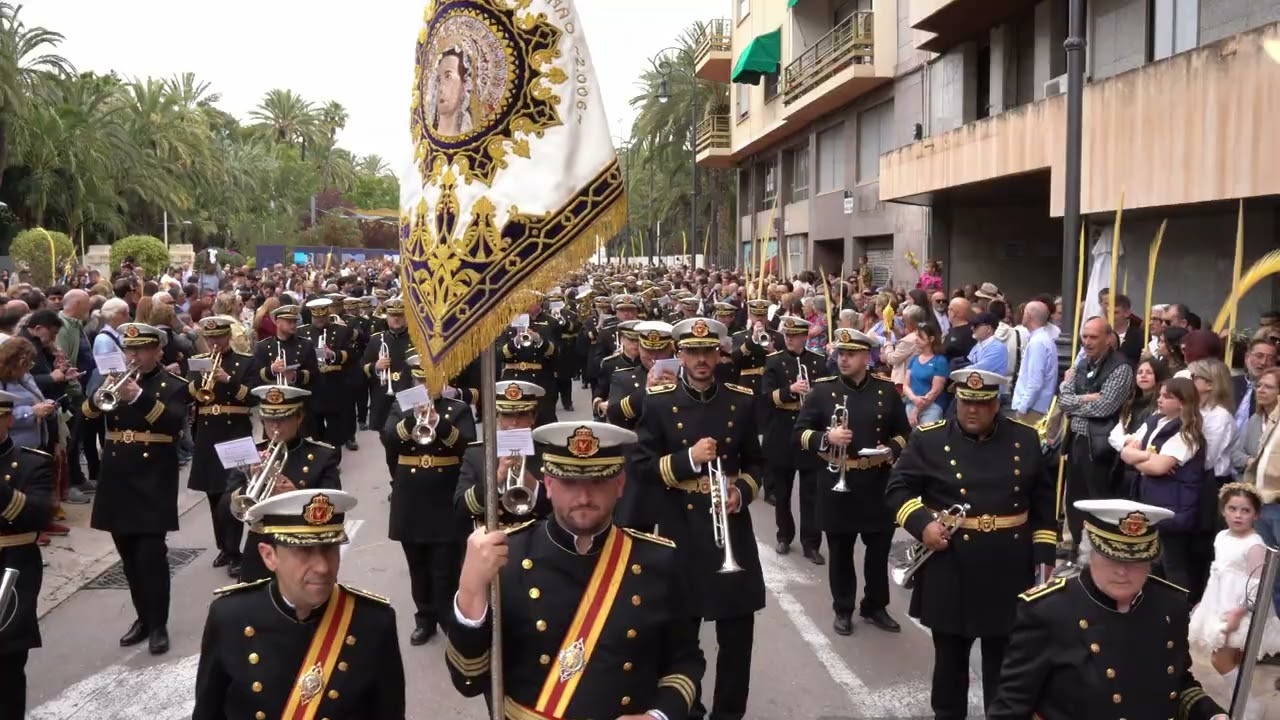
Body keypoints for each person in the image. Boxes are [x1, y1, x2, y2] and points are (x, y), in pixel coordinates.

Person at [448, 421, 704, 720]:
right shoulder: (508, 557)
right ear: (548, 484)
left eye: (598, 481)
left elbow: (685, 662)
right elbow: (469, 679)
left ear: (620, 484)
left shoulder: (658, 560)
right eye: (569, 482)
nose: (583, 497)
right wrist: (470, 589)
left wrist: (658, 716)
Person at [885, 369, 1058, 719]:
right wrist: (923, 525)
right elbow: (897, 489)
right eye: (965, 402)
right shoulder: (930, 439)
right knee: (949, 662)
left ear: (995, 405)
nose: (972, 410)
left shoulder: (1025, 439)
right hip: (951, 565)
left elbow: (1043, 509)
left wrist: (1044, 564)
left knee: (1006, 664)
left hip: (1009, 567)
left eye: (981, 403)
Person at [632, 317, 765, 720]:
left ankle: (728, 714)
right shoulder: (658, 402)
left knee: (737, 639)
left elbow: (757, 463)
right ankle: (687, 709)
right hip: (680, 529)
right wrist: (688, 459)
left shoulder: (741, 400)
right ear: (680, 355)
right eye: (693, 352)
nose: (701, 359)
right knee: (680, 636)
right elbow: (641, 466)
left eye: (708, 351)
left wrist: (741, 492)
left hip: (730, 530)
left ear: (719, 354)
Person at [987, 499, 1228, 720]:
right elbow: (1011, 707)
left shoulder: (1169, 605)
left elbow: (1178, 683)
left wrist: (1212, 714)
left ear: (1150, 560)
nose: (1122, 571)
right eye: (1112, 558)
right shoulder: (1049, 611)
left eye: (1135, 561)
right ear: (1089, 553)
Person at [192, 489, 406, 719]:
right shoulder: (230, 617)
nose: (323, 567)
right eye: (304, 550)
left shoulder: (374, 621)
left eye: (329, 548)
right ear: (269, 556)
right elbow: (208, 712)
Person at [81, 323, 190, 655]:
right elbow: (85, 418)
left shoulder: (173, 385)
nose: (133, 356)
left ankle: (158, 624)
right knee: (127, 556)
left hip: (153, 476)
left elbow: (174, 425)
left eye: (141, 350)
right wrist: (97, 397)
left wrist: (139, 398)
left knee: (151, 555)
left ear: (157, 351)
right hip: (117, 476)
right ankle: (143, 617)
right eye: (129, 350)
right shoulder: (114, 379)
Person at [383, 353, 475, 646]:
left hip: (444, 497)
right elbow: (389, 439)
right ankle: (424, 619)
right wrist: (414, 417)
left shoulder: (458, 409)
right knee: (418, 566)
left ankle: (449, 619)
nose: (425, 386)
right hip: (410, 498)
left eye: (430, 381)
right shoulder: (400, 407)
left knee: (445, 568)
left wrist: (440, 425)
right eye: (420, 381)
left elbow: (468, 446)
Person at [233, 384, 342, 583]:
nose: (275, 426)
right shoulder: (252, 455)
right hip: (261, 546)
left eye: (283, 419)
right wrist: (250, 480)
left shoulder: (322, 456)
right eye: (269, 420)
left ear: (299, 418)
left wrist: (296, 495)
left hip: (304, 547)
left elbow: (336, 512)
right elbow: (227, 507)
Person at [1189, 483, 1279, 715]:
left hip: (1239, 609)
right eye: (1232, 509)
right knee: (1230, 658)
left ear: (1256, 515)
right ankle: (1241, 701)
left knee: (1220, 659)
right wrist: (1204, 602)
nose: (1238, 515)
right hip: (1218, 603)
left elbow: (1256, 585)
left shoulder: (1254, 544)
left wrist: (1238, 613)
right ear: (1223, 510)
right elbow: (1217, 574)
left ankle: (1249, 705)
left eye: (1245, 510)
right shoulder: (1221, 536)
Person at [1057, 317, 1135, 573]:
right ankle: (1075, 553)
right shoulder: (1082, 362)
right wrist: (1087, 398)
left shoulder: (1121, 367)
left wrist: (1076, 402)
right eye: (1085, 336)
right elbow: (1063, 399)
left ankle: (1098, 558)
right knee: (1074, 500)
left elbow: (1106, 407)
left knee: (1098, 501)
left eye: (1093, 337)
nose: (1087, 342)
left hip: (1100, 445)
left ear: (1108, 338)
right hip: (1076, 440)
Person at [185, 316, 259, 573]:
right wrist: (201, 379)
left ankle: (236, 551)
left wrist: (228, 379)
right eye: (210, 338)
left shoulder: (246, 361)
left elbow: (253, 398)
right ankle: (224, 548)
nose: (214, 342)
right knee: (214, 495)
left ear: (228, 336)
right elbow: (186, 394)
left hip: (235, 432)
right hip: (208, 434)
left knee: (234, 495)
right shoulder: (199, 363)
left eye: (219, 337)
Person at [0, 390, 54, 720]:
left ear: (7, 420)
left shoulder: (33, 462)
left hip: (12, 567)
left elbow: (36, 516)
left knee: (6, 663)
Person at [762, 316, 828, 564]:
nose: (789, 339)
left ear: (804, 336)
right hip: (782, 432)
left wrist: (814, 396)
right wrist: (790, 390)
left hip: (809, 433)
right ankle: (784, 535)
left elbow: (827, 396)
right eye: (786, 335)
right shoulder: (773, 361)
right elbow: (766, 397)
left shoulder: (818, 361)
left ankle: (811, 543)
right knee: (782, 492)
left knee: (812, 493)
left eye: (794, 335)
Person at [454, 381, 551, 527]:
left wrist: (534, 486)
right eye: (507, 415)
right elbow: (461, 510)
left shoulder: (547, 454)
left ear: (533, 418)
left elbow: (558, 511)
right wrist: (497, 477)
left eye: (522, 415)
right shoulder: (476, 454)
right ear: (498, 418)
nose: (514, 422)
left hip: (534, 536)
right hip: (492, 535)